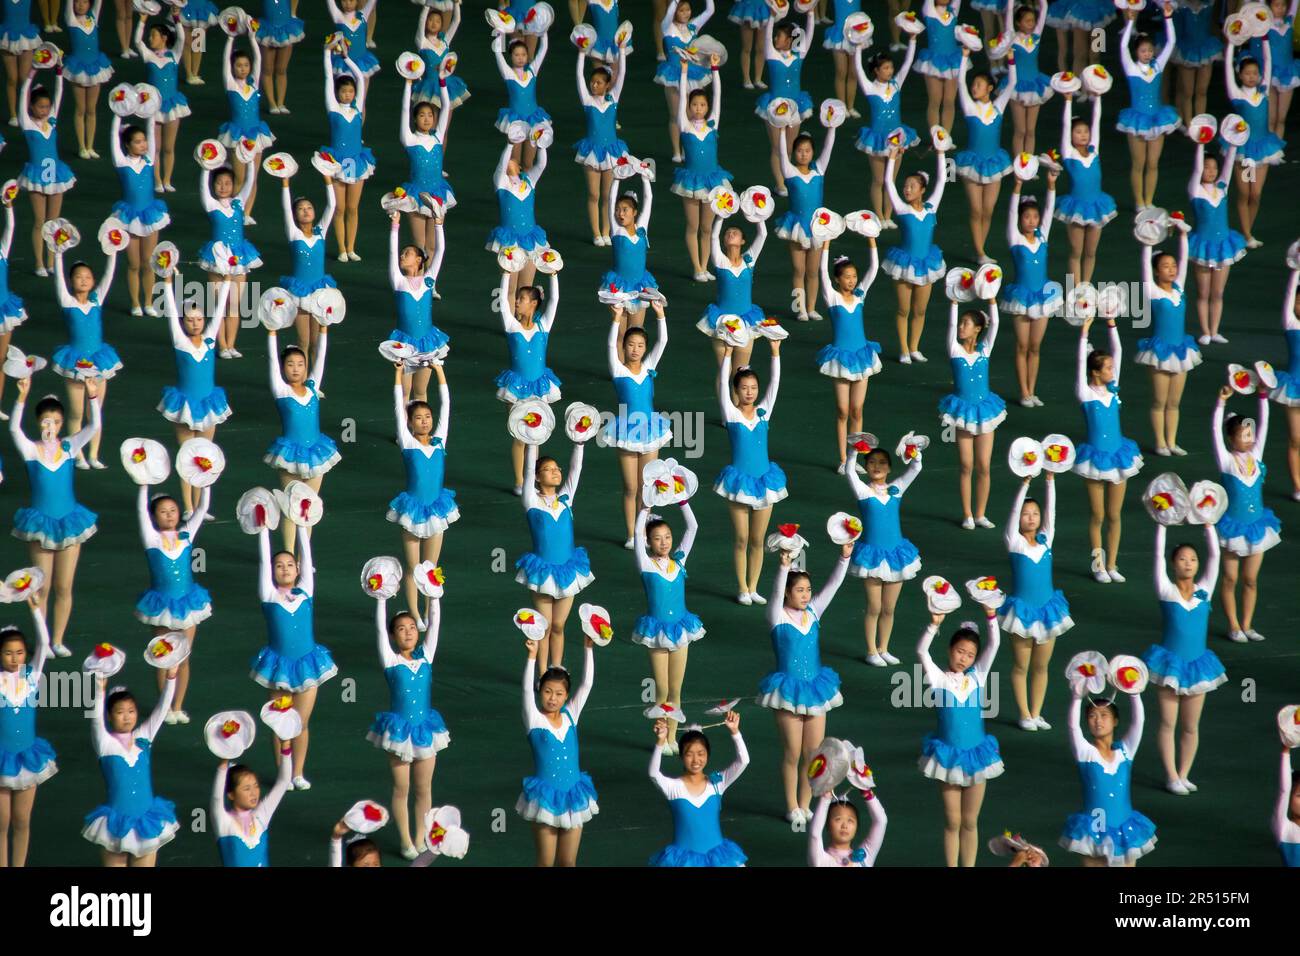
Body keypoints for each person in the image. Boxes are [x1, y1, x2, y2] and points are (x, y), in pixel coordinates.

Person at [9, 376, 100, 658]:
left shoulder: (71, 447)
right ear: (39, 423)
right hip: (40, 524)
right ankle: (43, 641)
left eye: (57, 422)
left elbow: (94, 426)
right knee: (43, 587)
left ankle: (58, 640)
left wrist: (93, 397)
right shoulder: (30, 450)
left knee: (64, 586)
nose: (51, 426)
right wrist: (22, 397)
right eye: (46, 421)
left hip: (70, 522)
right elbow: (13, 428)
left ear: (62, 425)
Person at [760, 545, 852, 822]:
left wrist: (844, 557)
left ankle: (805, 803)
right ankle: (792, 806)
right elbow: (775, 594)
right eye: (799, 590)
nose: (805, 595)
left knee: (813, 754)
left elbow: (834, 585)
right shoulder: (776, 616)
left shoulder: (813, 612)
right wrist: (783, 566)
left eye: (808, 590)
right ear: (788, 592)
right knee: (792, 752)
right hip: (787, 691)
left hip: (815, 688)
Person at [250, 522, 336, 790]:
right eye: (279, 565)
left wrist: (301, 524)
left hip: (309, 664)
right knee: (279, 722)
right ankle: (283, 774)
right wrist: (263, 530)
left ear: (298, 569)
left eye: (289, 564)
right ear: (272, 572)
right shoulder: (268, 594)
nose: (285, 568)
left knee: (301, 722)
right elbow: (264, 560)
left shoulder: (306, 592)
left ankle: (298, 772)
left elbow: (306, 553)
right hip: (278, 667)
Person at [1142, 521, 1224, 793]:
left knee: (1191, 726)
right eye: (1181, 559)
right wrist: (1162, 525)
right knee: (1168, 723)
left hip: (1199, 666)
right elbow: (1155, 556)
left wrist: (1209, 524)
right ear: (1173, 564)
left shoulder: (1204, 592)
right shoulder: (1166, 590)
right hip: (1170, 665)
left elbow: (1215, 556)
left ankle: (1185, 773)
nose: (1188, 563)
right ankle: (1171, 775)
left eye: (1192, 559)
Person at [917, 610, 1003, 867]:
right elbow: (922, 652)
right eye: (959, 651)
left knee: (970, 821)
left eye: (970, 655)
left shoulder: (978, 677)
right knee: (953, 821)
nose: (964, 658)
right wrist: (933, 624)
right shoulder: (939, 680)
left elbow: (995, 643)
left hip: (978, 756)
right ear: (949, 650)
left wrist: (990, 617)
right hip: (948, 757)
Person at [368, 590, 449, 859]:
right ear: (393, 636)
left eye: (412, 627)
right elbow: (379, 630)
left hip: (426, 730)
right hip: (399, 732)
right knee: (402, 788)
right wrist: (380, 599)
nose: (408, 632)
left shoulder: (426, 656)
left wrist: (434, 595)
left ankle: (420, 837)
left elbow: (435, 624)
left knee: (424, 789)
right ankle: (405, 841)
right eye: (401, 629)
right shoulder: (390, 660)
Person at [83, 669, 181, 866]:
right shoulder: (105, 744)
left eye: (131, 711)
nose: (127, 717)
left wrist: (171, 677)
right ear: (109, 716)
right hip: (116, 825)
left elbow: (162, 710)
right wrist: (100, 690)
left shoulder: (143, 739)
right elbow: (95, 720)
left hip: (147, 823)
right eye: (120, 712)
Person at [133, 482, 212, 723]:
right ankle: (164, 706)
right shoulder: (151, 539)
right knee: (163, 657)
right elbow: (140, 513)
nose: (169, 514)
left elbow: (201, 509)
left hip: (188, 602)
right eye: (163, 511)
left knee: (184, 657)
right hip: (162, 605)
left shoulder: (186, 535)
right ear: (154, 516)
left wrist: (205, 482)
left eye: (173, 510)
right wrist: (143, 484)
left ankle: (178, 705)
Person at [518, 636, 598, 867]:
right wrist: (532, 656)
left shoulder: (571, 715)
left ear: (566, 696)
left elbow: (587, 685)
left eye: (559, 694)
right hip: (545, 798)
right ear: (540, 691)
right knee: (545, 862)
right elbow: (525, 690)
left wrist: (588, 647)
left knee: (568, 862)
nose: (552, 698)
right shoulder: (533, 719)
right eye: (547, 692)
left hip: (574, 795)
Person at [716, 343, 786, 604]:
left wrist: (775, 351)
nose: (749, 392)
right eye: (744, 387)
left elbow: (775, 382)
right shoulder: (731, 414)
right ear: (736, 390)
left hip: (765, 481)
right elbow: (722, 386)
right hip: (738, 482)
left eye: (753, 387)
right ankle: (742, 587)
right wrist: (727, 356)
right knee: (742, 538)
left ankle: (754, 587)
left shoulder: (764, 412)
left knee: (758, 539)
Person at [387, 362, 457, 625]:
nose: (425, 421)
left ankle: (431, 609)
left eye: (427, 417)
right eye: (418, 418)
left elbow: (447, 407)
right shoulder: (406, 442)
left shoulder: (440, 441)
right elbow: (397, 406)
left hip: (438, 508)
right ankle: (414, 613)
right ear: (410, 422)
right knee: (413, 567)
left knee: (431, 567)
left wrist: (440, 372)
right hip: (413, 509)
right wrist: (397, 374)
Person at [1074, 317, 1143, 583]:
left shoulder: (1113, 391)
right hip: (1094, 458)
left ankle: (1113, 564)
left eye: (1113, 367)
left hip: (1118, 457)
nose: (1113, 370)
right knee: (1098, 515)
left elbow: (1120, 352)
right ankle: (1098, 564)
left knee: (1115, 515)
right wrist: (1084, 333)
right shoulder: (1085, 393)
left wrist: (1112, 323)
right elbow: (1081, 362)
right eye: (1108, 367)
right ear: (1095, 372)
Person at [1002, 473, 1072, 730]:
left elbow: (1052, 511)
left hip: (1048, 611)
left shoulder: (1046, 540)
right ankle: (1024, 713)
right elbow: (1011, 513)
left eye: (1034, 513)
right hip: (1022, 612)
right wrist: (1025, 484)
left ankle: (1036, 712)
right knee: (1021, 665)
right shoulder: (1014, 542)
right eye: (1025, 513)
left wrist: (1050, 480)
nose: (1030, 517)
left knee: (1041, 666)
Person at [633, 503, 704, 753]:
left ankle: (673, 738)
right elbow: (635, 534)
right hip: (657, 632)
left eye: (667, 537)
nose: (663, 542)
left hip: (681, 629)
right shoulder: (646, 564)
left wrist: (683, 501)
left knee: (676, 689)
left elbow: (693, 527)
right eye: (657, 539)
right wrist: (644, 508)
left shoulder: (680, 561)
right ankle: (661, 738)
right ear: (648, 541)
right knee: (661, 689)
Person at [1213, 385, 1280, 643]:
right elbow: (1213, 432)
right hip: (1233, 528)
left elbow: (1264, 423)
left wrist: (1263, 395)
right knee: (1230, 578)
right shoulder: (1227, 461)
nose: (1250, 437)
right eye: (1244, 434)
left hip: (1257, 526)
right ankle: (1233, 625)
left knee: (1250, 579)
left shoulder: (1256, 455)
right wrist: (1220, 403)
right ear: (1232, 439)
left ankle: (1248, 624)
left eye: (1250, 434)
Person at [517, 442, 593, 671]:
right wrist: (532, 441)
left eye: (557, 468)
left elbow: (575, 470)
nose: (556, 471)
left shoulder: (566, 500)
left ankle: (557, 667)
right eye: (549, 469)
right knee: (544, 626)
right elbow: (528, 469)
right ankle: (541, 673)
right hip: (542, 570)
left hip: (568, 569)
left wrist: (579, 443)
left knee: (559, 625)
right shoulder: (531, 500)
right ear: (538, 477)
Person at [157, 279, 230, 517]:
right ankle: (188, 507)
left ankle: (202, 506)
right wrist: (167, 284)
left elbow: (219, 313)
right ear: (183, 322)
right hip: (184, 405)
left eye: (199, 319)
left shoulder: (210, 339)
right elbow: (170, 312)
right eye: (190, 319)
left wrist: (227, 279)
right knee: (186, 456)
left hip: (209, 404)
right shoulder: (179, 340)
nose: (196, 323)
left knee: (205, 455)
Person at [1061, 685, 1156, 865]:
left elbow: (1139, 722)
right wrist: (1076, 697)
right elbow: (1072, 726)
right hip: (1093, 833)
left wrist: (1134, 693)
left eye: (1104, 715)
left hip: (1125, 830)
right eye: (1092, 716)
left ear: (1115, 721)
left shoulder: (1126, 752)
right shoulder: (1085, 752)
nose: (1098, 721)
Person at [264, 327, 338, 553]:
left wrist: (324, 329)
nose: (296, 369)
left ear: (306, 367)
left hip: (317, 451)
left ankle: (304, 557)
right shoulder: (281, 390)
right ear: (283, 368)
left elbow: (322, 356)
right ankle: (289, 554)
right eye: (290, 364)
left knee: (309, 506)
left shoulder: (313, 387)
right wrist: (272, 334)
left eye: (300, 364)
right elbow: (271, 363)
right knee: (290, 507)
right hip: (290, 453)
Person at [847, 443, 922, 666]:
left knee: (889, 608)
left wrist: (914, 453)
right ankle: (871, 651)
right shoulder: (863, 491)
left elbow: (915, 469)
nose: (876, 466)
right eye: (871, 462)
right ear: (866, 467)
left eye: (881, 463)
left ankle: (884, 648)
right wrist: (853, 452)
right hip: (871, 557)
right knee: (874, 607)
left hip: (897, 556)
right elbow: (850, 472)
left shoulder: (896, 489)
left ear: (889, 468)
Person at [606, 302, 671, 544]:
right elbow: (610, 345)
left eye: (640, 345)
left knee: (647, 486)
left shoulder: (649, 367)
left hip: (651, 430)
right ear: (624, 347)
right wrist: (616, 319)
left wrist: (660, 314)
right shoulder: (618, 370)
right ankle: (631, 534)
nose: (635, 349)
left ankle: (643, 530)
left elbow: (663, 341)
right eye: (631, 345)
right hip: (625, 430)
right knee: (631, 487)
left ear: (645, 349)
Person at [648, 711, 748, 866]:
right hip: (683, 862)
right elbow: (654, 773)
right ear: (681, 756)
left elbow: (743, 761)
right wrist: (660, 741)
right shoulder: (673, 787)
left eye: (701, 753)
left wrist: (735, 731)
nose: (696, 760)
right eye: (689, 754)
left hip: (719, 860)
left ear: (707, 755)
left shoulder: (717, 784)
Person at [939, 301, 1006, 529]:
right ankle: (967, 514)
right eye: (961, 323)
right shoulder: (954, 349)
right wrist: (954, 303)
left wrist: (991, 300)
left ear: (977, 329)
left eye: (966, 324)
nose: (960, 327)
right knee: (966, 465)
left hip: (986, 411)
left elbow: (995, 323)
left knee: (984, 466)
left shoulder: (985, 350)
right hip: (963, 412)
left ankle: (980, 514)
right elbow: (949, 324)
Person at [50, 244, 118, 470]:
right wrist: (58, 253)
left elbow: (109, 276)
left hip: (99, 361)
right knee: (77, 411)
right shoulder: (67, 302)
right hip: (75, 362)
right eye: (78, 277)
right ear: (72, 281)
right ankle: (76, 453)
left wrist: (114, 252)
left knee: (95, 411)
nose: (83, 280)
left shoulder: (97, 301)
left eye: (88, 277)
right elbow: (58, 278)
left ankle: (94, 454)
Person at [0, 601, 57, 867]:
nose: (14, 658)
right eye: (8, 653)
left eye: (20, 652)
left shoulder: (32, 677)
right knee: (2, 822)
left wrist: (35, 609)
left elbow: (45, 644)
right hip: (2, 760)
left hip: (28, 758)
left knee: (22, 820)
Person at [818, 238, 882, 471]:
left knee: (857, 410)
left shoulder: (860, 295)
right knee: (843, 411)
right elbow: (821, 273)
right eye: (847, 276)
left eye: (854, 276)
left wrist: (871, 239)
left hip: (863, 357)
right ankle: (844, 459)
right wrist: (825, 244)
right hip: (841, 359)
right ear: (838, 279)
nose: (852, 280)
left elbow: (874, 269)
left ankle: (856, 459)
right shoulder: (832, 298)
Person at [496, 271, 560, 492]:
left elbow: (555, 300)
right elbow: (503, 301)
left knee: (536, 434)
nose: (516, 302)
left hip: (540, 385)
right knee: (519, 434)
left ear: (533, 303)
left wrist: (553, 274)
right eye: (517, 299)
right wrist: (505, 273)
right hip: (515, 386)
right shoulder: (512, 326)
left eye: (522, 299)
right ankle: (519, 481)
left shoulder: (544, 326)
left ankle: (532, 478)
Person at [1137, 235, 1200, 456]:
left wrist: (1182, 234)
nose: (1172, 269)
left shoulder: (1179, 288)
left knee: (1174, 403)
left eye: (1173, 266)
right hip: (1160, 352)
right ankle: (1160, 443)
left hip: (1182, 351)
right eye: (1165, 266)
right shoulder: (1152, 291)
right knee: (1159, 401)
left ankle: (1172, 442)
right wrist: (1148, 242)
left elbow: (1184, 260)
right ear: (1156, 271)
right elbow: (1144, 267)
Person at [883, 147, 946, 362]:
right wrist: (891, 159)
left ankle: (914, 347)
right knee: (903, 309)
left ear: (922, 190)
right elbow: (889, 184)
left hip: (927, 263)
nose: (907, 189)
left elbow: (942, 181)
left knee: (920, 310)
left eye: (912, 186)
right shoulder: (902, 209)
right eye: (905, 186)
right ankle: (903, 349)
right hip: (904, 264)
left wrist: (940, 152)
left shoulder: (931, 209)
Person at [1002, 176, 1060, 408]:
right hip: (1021, 298)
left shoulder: (1043, 236)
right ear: (1019, 219)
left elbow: (1050, 208)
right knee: (1022, 346)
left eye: (1035, 217)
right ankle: (1023, 392)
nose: (1032, 221)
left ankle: (1033, 390)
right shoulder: (1015, 239)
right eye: (1027, 217)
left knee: (1035, 347)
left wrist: (1051, 184)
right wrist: (1017, 185)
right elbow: (1009, 212)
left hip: (1043, 298)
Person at [954, 49, 1015, 262]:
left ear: (989, 88)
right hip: (972, 163)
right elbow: (961, 83)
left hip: (994, 163)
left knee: (988, 210)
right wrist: (963, 56)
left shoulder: (998, 107)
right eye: (974, 84)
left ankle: (981, 248)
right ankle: (979, 252)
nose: (974, 87)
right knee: (976, 209)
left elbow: (1012, 83)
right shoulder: (970, 108)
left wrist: (1011, 58)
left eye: (978, 85)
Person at [673, 56, 729, 282]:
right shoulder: (684, 125)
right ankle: (696, 267)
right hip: (690, 181)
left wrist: (715, 69)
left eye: (702, 105)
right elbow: (681, 99)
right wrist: (684, 73)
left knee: (707, 227)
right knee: (693, 225)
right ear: (689, 107)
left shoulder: (713, 123)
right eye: (694, 105)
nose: (698, 108)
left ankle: (705, 266)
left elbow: (718, 96)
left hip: (712, 180)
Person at [1116, 6, 1178, 210]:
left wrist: (1168, 17)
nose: (1148, 53)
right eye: (1143, 51)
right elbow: (1123, 48)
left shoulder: (1158, 66)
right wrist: (1131, 22)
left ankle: (1149, 200)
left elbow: (1171, 43)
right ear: (1137, 52)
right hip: (1137, 120)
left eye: (1150, 50)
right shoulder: (1131, 68)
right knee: (1139, 163)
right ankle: (1139, 201)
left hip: (1157, 119)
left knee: (1153, 163)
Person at [1225, 43, 1286, 248]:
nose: (1252, 76)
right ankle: (1247, 234)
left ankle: (1246, 233)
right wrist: (1232, 44)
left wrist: (1266, 39)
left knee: (1256, 194)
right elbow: (1227, 67)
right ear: (1240, 75)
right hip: (1245, 152)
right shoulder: (1238, 95)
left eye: (1255, 73)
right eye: (1247, 73)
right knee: (1245, 193)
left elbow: (1268, 62)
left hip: (1263, 149)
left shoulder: (1263, 92)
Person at [199, 161, 261, 359]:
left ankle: (232, 345)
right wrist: (206, 166)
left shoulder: (239, 203)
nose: (223, 186)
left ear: (234, 185)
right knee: (220, 305)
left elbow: (250, 182)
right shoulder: (211, 204)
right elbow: (202, 187)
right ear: (213, 185)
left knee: (234, 305)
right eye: (219, 183)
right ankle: (222, 346)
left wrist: (251, 162)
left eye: (227, 183)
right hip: (217, 257)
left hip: (240, 257)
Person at [853, 39, 918, 226]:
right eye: (886, 68)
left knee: (891, 179)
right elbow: (858, 69)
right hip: (876, 139)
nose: (890, 71)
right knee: (879, 179)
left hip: (897, 138)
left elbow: (907, 63)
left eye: (891, 68)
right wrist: (858, 48)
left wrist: (912, 39)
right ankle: (878, 216)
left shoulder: (896, 85)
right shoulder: (871, 88)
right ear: (876, 71)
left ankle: (888, 216)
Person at [109, 113, 168, 316]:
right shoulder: (122, 163)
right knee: (133, 264)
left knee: (148, 262)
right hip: (130, 216)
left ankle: (149, 302)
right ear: (127, 145)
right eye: (137, 142)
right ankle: (135, 303)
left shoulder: (149, 160)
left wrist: (150, 112)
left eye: (144, 141)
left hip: (150, 214)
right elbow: (113, 137)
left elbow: (152, 131)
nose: (143, 145)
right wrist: (118, 113)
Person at [1187, 137, 1244, 346]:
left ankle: (1215, 330)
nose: (1210, 171)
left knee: (1218, 292)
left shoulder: (1222, 187)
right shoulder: (1195, 190)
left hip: (1223, 246)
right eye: (1206, 167)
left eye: (1213, 168)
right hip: (1203, 246)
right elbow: (1195, 170)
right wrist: (1200, 141)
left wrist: (1234, 143)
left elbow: (1229, 165)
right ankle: (1205, 331)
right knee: (1203, 292)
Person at [775, 125, 836, 321]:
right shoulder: (790, 172)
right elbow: (782, 154)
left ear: (812, 153)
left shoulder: (818, 171)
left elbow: (829, 147)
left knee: (812, 271)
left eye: (807, 151)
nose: (803, 154)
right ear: (794, 153)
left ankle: (811, 308)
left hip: (817, 227)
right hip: (796, 227)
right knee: (799, 269)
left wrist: (832, 127)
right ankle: (799, 308)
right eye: (799, 151)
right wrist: (783, 130)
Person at [18, 70, 75, 276]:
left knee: (54, 221)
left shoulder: (51, 122)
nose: (45, 110)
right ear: (31, 106)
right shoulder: (27, 123)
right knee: (39, 221)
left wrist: (59, 73)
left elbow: (59, 94)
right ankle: (39, 263)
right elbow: (23, 93)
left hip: (57, 174)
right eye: (40, 106)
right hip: (36, 176)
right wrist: (32, 72)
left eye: (47, 107)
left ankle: (52, 261)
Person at [278, 171, 337, 367]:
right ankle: (301, 378)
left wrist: (328, 179)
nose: (305, 211)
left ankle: (314, 380)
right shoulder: (294, 234)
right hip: (301, 291)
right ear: (295, 215)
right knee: (303, 340)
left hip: (319, 290)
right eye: (301, 209)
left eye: (309, 207)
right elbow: (285, 209)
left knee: (316, 341)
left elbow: (332, 206)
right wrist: (285, 183)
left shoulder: (321, 232)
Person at [1055, 90, 1114, 284]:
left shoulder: (1094, 151)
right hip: (1076, 207)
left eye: (1085, 131)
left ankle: (1086, 285)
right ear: (1071, 135)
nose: (1083, 135)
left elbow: (1096, 120)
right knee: (1076, 252)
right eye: (1078, 132)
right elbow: (1064, 125)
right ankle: (1076, 289)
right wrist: (1068, 100)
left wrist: (1097, 98)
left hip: (1097, 205)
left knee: (1090, 252)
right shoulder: (1069, 154)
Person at [321, 48, 374, 262]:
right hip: (337, 162)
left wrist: (346, 58)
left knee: (353, 208)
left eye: (350, 91)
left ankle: (351, 247)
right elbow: (327, 77)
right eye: (343, 91)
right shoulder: (333, 108)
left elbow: (360, 78)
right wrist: (327, 54)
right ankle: (341, 248)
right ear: (337, 93)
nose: (348, 94)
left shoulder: (357, 109)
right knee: (339, 207)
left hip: (355, 161)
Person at [755, 7, 815, 191]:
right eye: (776, 36)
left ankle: (786, 178)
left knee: (789, 148)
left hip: (795, 105)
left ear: (789, 40)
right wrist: (772, 16)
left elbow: (810, 36)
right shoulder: (772, 55)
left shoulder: (798, 56)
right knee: (776, 147)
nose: (775, 39)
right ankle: (780, 183)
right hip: (774, 105)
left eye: (779, 36)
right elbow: (766, 37)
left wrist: (811, 14)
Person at [575, 46, 628, 246]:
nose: (593, 85)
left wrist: (622, 51)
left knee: (608, 194)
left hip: (611, 151)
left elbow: (622, 73)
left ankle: (607, 231)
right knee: (594, 194)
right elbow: (579, 76)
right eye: (592, 82)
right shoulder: (587, 101)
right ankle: (596, 232)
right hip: (591, 151)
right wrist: (581, 53)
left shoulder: (613, 99)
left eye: (598, 82)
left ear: (607, 85)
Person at [697, 215, 766, 368]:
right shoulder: (720, 261)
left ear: (743, 241)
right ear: (724, 241)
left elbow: (763, 235)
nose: (730, 233)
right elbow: (713, 236)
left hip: (746, 320)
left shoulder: (749, 259)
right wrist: (721, 216)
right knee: (724, 372)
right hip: (722, 321)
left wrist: (759, 213)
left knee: (740, 373)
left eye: (735, 232)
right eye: (727, 233)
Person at [217, 33, 273, 222]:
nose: (243, 68)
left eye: (246, 65)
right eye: (239, 65)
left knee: (253, 176)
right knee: (239, 177)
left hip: (256, 134)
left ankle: (247, 212)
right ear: (233, 67)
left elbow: (259, 59)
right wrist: (230, 38)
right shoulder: (231, 86)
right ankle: (236, 211)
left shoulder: (254, 85)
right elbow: (225, 60)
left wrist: (252, 37)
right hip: (237, 135)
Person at [400, 75, 455, 264]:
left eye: (430, 115)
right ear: (415, 119)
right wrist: (408, 85)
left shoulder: (438, 137)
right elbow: (405, 109)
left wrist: (442, 82)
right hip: (416, 194)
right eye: (422, 115)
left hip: (438, 192)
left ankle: (431, 284)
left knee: (433, 244)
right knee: (420, 244)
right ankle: (419, 281)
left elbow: (446, 107)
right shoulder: (410, 139)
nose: (426, 119)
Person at [134, 10, 189, 192]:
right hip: (154, 106)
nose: (150, 39)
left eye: (154, 35)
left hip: (173, 105)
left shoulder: (174, 55)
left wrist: (176, 18)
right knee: (154, 147)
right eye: (150, 36)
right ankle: (157, 181)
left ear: (164, 37)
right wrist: (142, 21)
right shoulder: (148, 56)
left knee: (168, 147)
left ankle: (167, 180)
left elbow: (182, 38)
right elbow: (137, 42)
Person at [211, 744, 293, 866]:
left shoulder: (261, 816)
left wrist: (286, 745)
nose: (254, 793)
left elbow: (284, 781)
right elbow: (216, 797)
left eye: (256, 786)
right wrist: (224, 759)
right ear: (231, 794)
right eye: (246, 788)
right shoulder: (223, 821)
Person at [654, 0, 715, 162]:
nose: (686, 13)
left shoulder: (693, 27)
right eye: (682, 10)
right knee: (676, 115)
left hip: (693, 74)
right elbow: (667, 15)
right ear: (675, 12)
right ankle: (676, 151)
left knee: (692, 115)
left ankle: (689, 149)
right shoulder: (667, 27)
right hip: (673, 75)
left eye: (688, 10)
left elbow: (710, 11)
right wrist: (674, 1)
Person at [487, 141, 548, 298]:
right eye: (507, 160)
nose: (508, 161)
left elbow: (541, 164)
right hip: (509, 241)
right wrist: (509, 144)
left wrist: (542, 144)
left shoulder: (529, 181)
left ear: (520, 167)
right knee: (510, 289)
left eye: (512, 159)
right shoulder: (501, 182)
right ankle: (510, 322)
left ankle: (522, 321)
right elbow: (501, 166)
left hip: (530, 239)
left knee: (526, 288)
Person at [492, 31, 550, 170]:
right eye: (516, 55)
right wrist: (500, 33)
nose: (520, 58)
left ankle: (527, 190)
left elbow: (544, 49)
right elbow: (498, 53)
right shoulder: (509, 74)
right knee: (514, 162)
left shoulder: (532, 71)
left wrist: (543, 31)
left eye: (523, 54)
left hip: (533, 120)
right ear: (511, 56)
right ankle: (513, 190)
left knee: (528, 163)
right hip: (515, 121)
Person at [63, 0, 113, 159]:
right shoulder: (71, 19)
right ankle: (81, 147)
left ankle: (90, 146)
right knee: (81, 109)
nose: (80, 5)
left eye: (84, 2)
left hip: (95, 67)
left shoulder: (93, 17)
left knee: (91, 110)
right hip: (78, 68)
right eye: (77, 2)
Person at [1004, 0, 1052, 156]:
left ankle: (1028, 166)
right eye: (1028, 21)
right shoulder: (1012, 37)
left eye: (1033, 20)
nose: (1032, 24)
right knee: (1020, 130)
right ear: (1018, 23)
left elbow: (1044, 8)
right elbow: (1009, 11)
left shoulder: (1036, 36)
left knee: (1031, 131)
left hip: (1035, 86)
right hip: (1017, 86)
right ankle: (1019, 165)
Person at [1248, 0, 1299, 138]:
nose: (1280, 8)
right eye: (1276, 5)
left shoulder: (1290, 20)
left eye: (1283, 5)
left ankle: (1278, 150)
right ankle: (1271, 151)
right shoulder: (1265, 25)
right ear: (1269, 6)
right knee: (1270, 118)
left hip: (1287, 74)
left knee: (1281, 119)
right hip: (1269, 73)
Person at [1272, 264, 1300, 501]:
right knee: (1295, 438)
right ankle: (1297, 485)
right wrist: (1295, 269)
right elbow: (1289, 294)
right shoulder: (1291, 324)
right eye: (1299, 302)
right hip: (1292, 386)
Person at [1170, 0, 1221, 127]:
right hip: (1186, 50)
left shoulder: (1208, 5)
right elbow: (1177, 32)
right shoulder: (1180, 8)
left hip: (1205, 49)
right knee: (1187, 91)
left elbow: (1213, 25)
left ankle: (1200, 122)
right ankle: (1188, 124)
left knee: (1202, 90)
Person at [914, 0, 963, 132]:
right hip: (933, 61)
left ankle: (946, 136)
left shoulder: (953, 11)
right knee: (935, 100)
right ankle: (935, 137)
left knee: (949, 101)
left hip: (952, 61)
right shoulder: (929, 10)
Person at [808, 789, 888, 866]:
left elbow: (881, 821)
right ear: (827, 824)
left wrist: (866, 791)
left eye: (850, 820)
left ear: (856, 827)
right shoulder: (819, 859)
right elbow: (815, 834)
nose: (844, 826)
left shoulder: (864, 858)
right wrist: (825, 797)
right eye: (838, 819)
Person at [257, 0, 305, 114]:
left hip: (286, 28)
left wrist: (293, 13)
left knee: (281, 69)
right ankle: (272, 103)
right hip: (268, 29)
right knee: (267, 70)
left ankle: (281, 103)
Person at [0, 187, 21, 415]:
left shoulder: (2, 251)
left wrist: (8, 207)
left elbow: (11, 227)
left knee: (1, 359)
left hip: (4, 310)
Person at [728, 0, 769, 88]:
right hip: (748, 7)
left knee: (761, 48)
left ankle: (758, 79)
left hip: (763, 7)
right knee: (747, 48)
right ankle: (746, 79)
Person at [1273, 744, 1300, 866]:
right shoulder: (1284, 828)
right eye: (1299, 796)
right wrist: (1286, 749)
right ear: (1289, 799)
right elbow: (1284, 790)